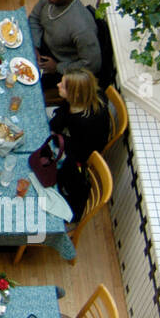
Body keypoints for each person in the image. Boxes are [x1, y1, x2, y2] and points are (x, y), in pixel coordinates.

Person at [48, 69, 110, 217]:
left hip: (78, 157)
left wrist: (58, 132)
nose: (57, 85)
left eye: (62, 86)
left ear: (75, 94)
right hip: (78, 139)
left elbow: (58, 130)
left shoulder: (81, 121)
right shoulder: (93, 96)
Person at [28, 0, 102, 91]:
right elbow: (34, 18)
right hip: (42, 44)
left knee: (27, 86)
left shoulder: (82, 28)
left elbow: (92, 65)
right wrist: (34, 46)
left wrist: (58, 67)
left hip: (61, 64)